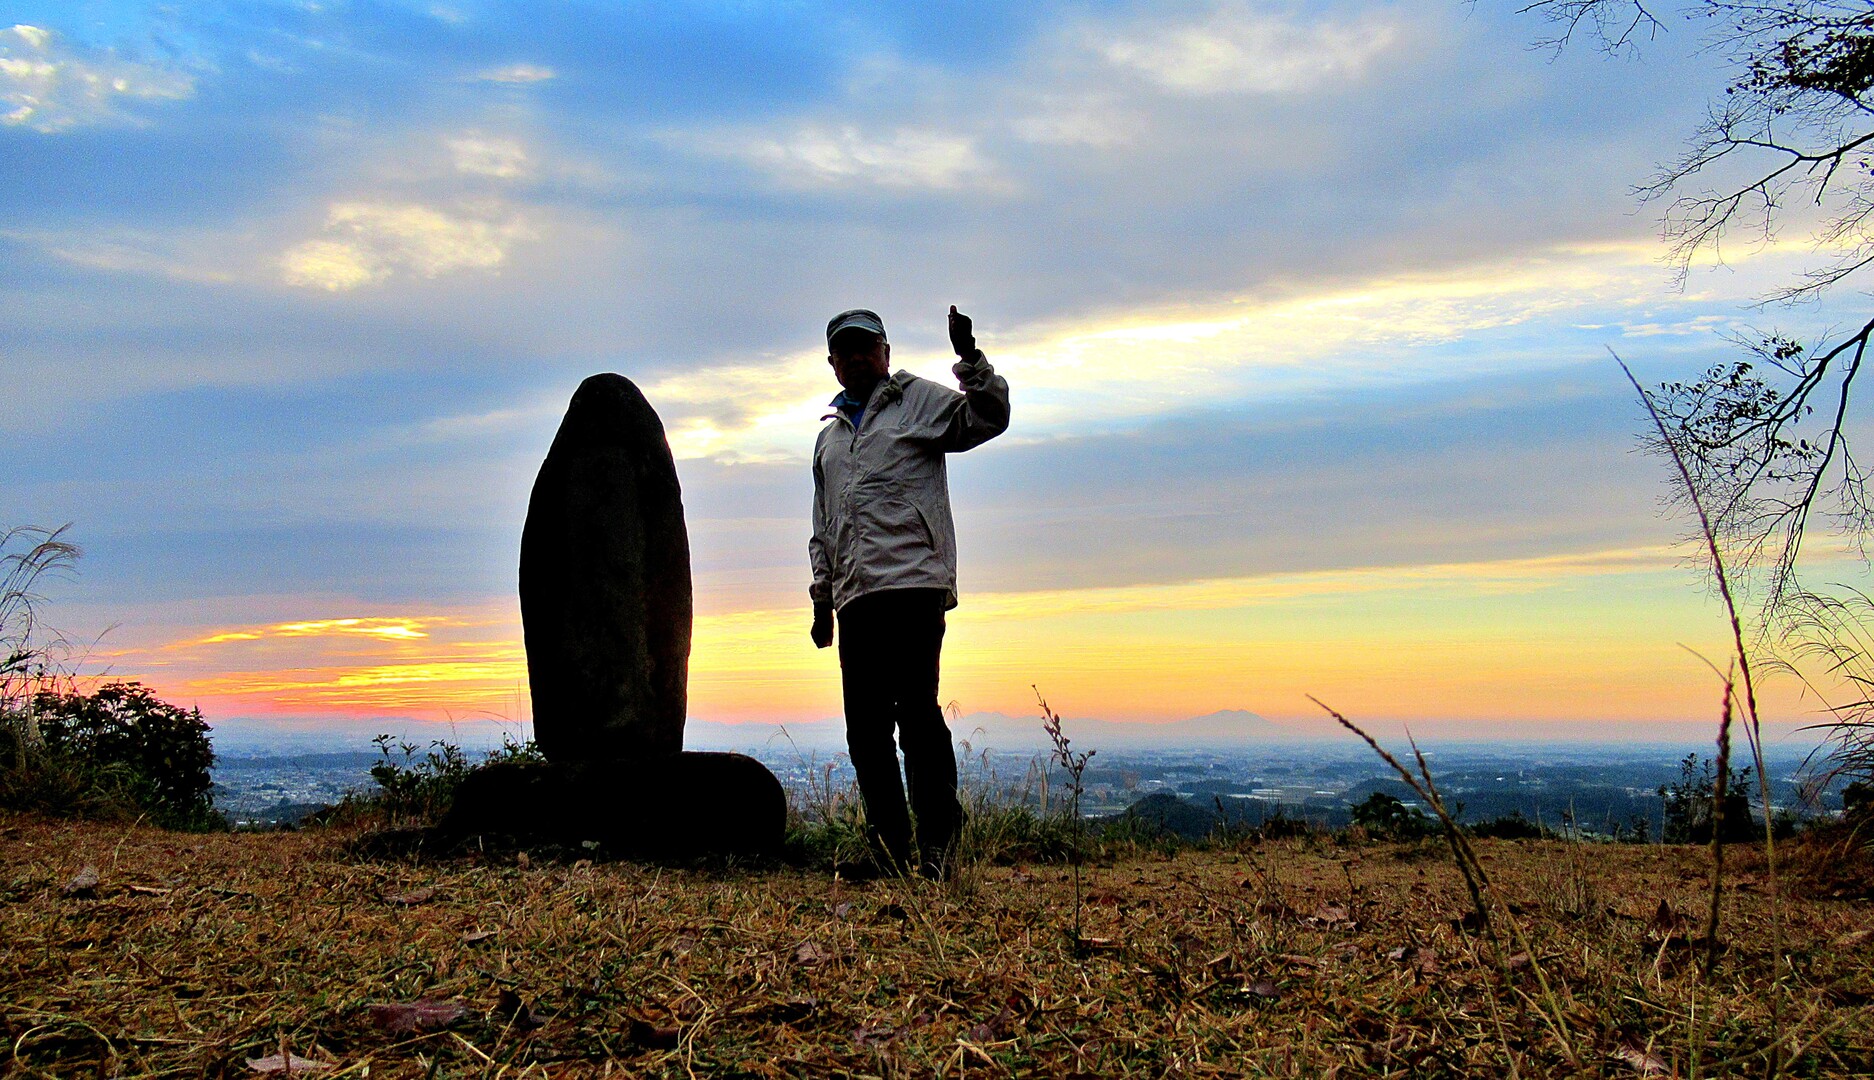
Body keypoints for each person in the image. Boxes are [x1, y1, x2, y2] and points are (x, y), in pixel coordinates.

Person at [809, 305, 1010, 878]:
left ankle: (939, 850)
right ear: (833, 362)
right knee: (865, 728)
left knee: (917, 715)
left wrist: (971, 362)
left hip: (914, 584)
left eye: (866, 347)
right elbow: (824, 525)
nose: (856, 357)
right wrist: (822, 597)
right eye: (845, 350)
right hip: (856, 599)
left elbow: (988, 418)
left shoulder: (916, 399)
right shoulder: (828, 441)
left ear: (886, 353)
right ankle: (891, 850)